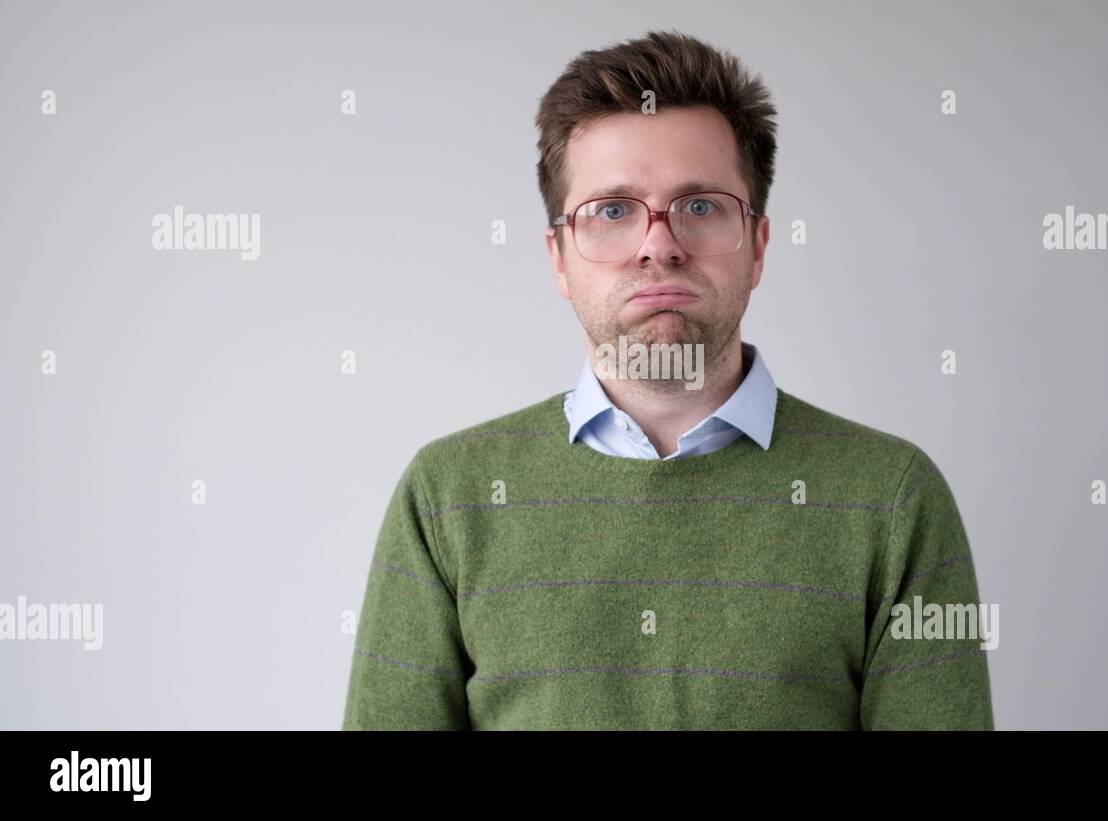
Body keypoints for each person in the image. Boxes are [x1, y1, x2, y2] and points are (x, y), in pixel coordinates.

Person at [343, 29, 993, 730]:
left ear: (759, 246)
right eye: (613, 211)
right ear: (559, 258)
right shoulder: (446, 496)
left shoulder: (892, 499)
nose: (659, 244)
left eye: (701, 206)